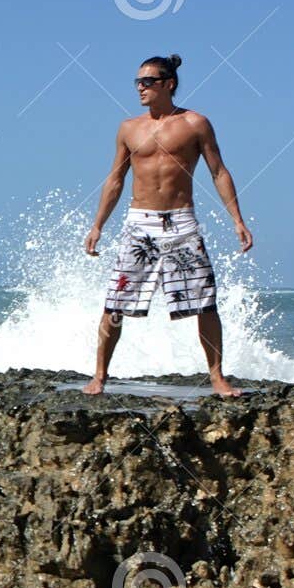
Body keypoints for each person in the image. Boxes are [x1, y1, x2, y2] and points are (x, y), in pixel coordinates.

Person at [81, 54, 253, 397]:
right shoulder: (129, 128)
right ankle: (99, 376)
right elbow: (115, 179)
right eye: (138, 82)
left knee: (205, 303)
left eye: (148, 82)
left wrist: (237, 219)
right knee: (116, 304)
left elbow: (218, 172)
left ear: (168, 84)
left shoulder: (195, 123)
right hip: (139, 223)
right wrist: (97, 225)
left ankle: (217, 377)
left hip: (181, 222)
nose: (140, 88)